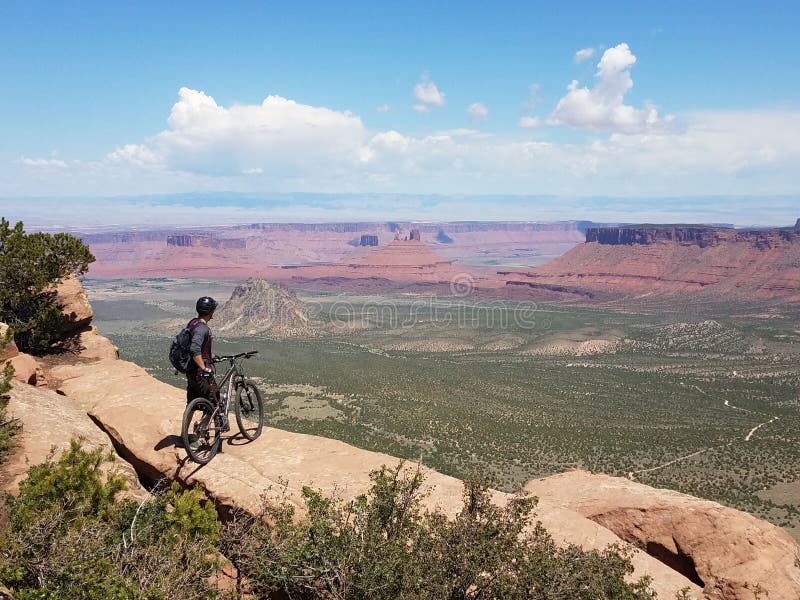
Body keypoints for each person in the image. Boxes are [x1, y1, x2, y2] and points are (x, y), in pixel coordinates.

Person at [186, 296, 218, 404]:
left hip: (191, 372)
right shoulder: (203, 329)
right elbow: (195, 349)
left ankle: (186, 422)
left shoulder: (193, 323)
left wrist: (210, 356)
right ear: (210, 312)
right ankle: (205, 422)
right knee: (216, 402)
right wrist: (204, 368)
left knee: (191, 404)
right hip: (200, 374)